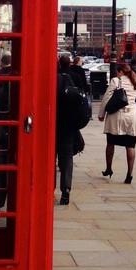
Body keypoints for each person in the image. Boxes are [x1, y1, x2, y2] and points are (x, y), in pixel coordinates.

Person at [98, 59, 136, 183]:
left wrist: (101, 114)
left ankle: (109, 168)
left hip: (116, 117)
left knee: (110, 143)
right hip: (132, 117)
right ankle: (129, 174)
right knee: (130, 146)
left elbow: (106, 98)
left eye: (118, 72)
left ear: (121, 72)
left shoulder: (116, 81)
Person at [56, 54, 84, 205]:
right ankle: (66, 190)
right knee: (67, 159)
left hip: (52, 125)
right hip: (69, 127)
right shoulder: (76, 77)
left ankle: (49, 188)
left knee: (51, 158)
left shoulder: (53, 79)